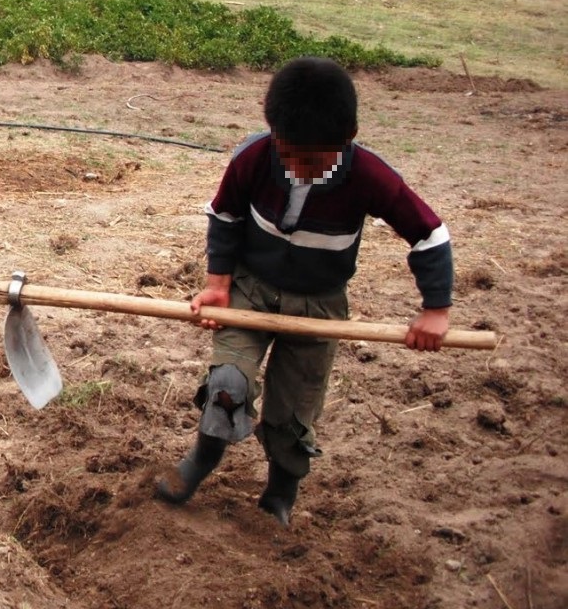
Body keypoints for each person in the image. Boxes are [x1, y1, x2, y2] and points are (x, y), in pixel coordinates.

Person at [154, 56, 453, 526]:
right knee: (227, 385)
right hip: (250, 293)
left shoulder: (371, 176)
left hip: (319, 307)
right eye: (288, 152)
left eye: (313, 160)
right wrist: (217, 284)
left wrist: (435, 309)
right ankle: (201, 461)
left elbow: (429, 235)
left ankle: (280, 494)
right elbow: (225, 216)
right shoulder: (254, 158)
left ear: (347, 138)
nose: (298, 166)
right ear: (273, 131)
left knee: (293, 414)